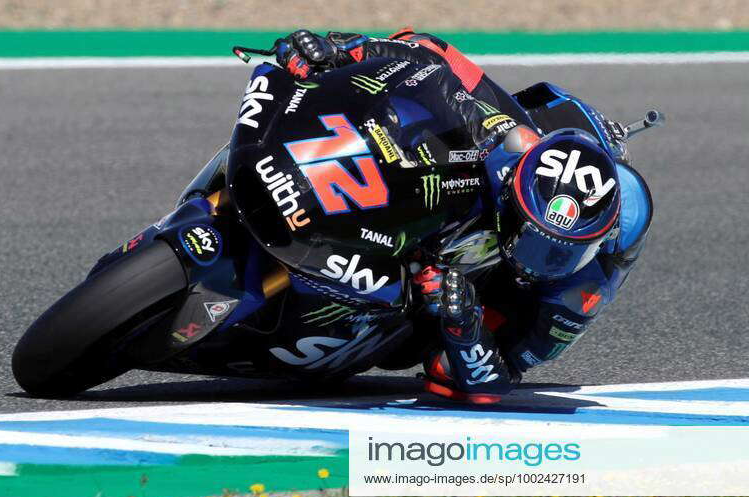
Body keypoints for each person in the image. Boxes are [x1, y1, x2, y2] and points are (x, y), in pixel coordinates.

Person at [272, 28, 653, 404]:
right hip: (457, 200)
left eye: (561, 252)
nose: (535, 261)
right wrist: (340, 50)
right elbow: (428, 51)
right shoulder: (510, 141)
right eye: (531, 238)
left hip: (434, 308)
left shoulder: (579, 290)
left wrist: (464, 326)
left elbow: (494, 380)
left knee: (402, 343)